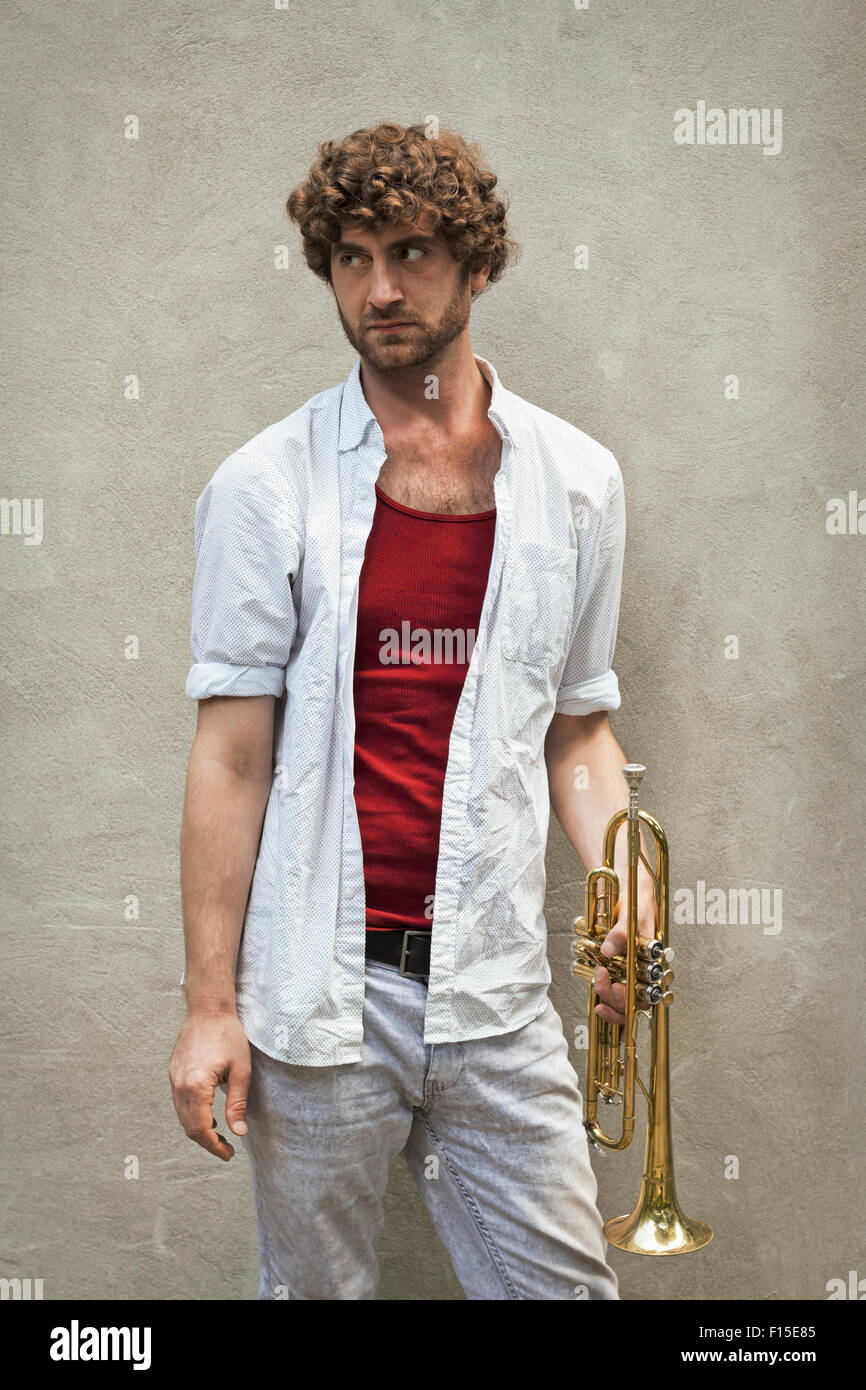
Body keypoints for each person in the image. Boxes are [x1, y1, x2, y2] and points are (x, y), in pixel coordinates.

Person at [169, 121, 655, 1300]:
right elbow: (230, 760)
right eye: (349, 257)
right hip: (319, 998)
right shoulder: (261, 486)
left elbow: (577, 729)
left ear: (476, 264)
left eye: (412, 252)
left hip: (494, 995)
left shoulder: (578, 482)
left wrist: (627, 887)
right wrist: (207, 1009)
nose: (378, 288)